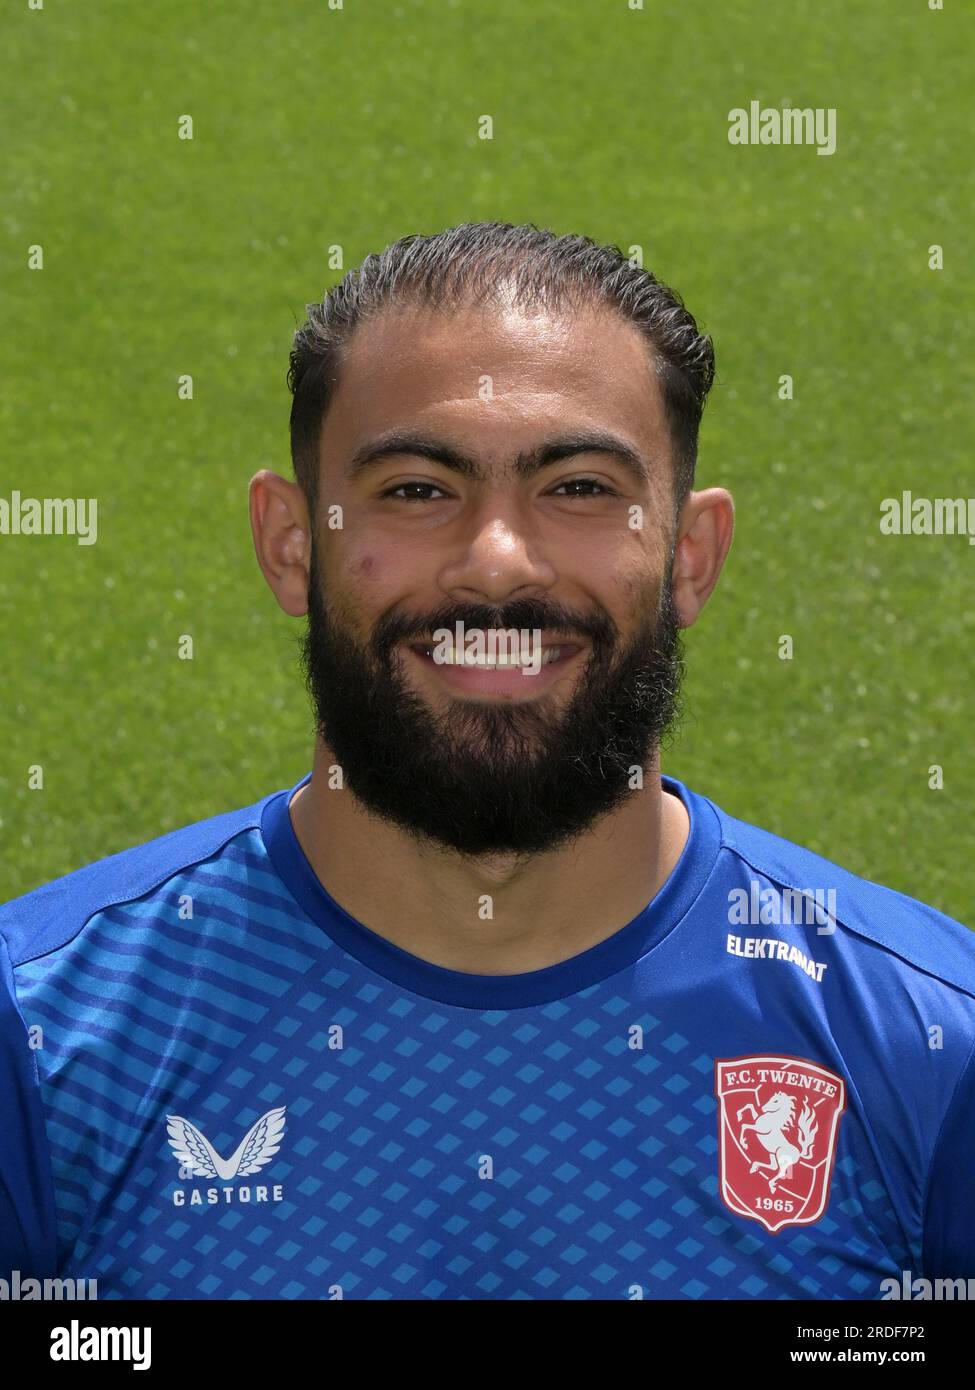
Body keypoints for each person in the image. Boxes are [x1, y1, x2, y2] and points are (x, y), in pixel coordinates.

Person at [2, 222, 973, 1300]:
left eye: (582, 488)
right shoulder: (42, 1040)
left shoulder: (928, 1044)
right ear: (291, 544)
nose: (498, 560)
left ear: (691, 557)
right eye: (418, 489)